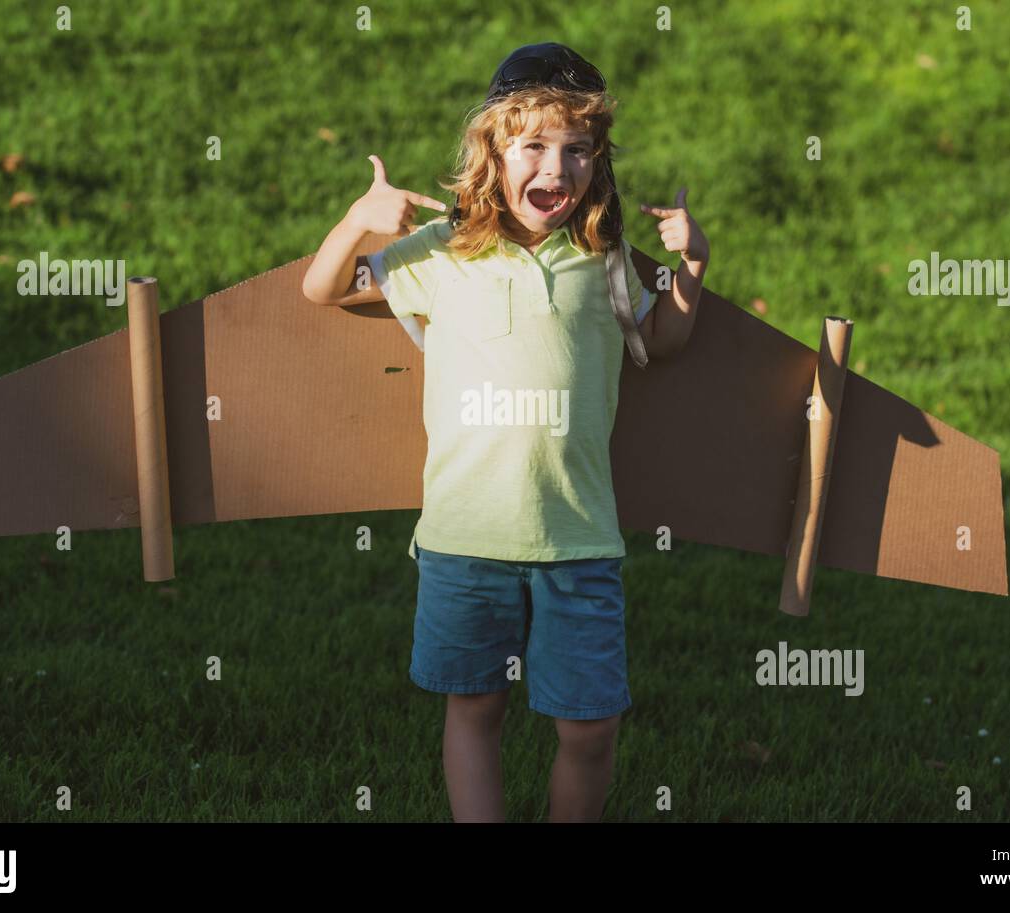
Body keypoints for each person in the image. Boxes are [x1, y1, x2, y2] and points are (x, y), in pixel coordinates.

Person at [302, 42, 709, 822]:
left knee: (591, 724)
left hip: (579, 539)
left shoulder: (605, 260)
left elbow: (665, 345)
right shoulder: (442, 254)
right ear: (492, 152)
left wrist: (691, 268)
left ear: (597, 162)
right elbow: (322, 289)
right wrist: (357, 221)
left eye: (577, 150)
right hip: (464, 538)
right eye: (534, 146)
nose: (556, 169)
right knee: (475, 709)